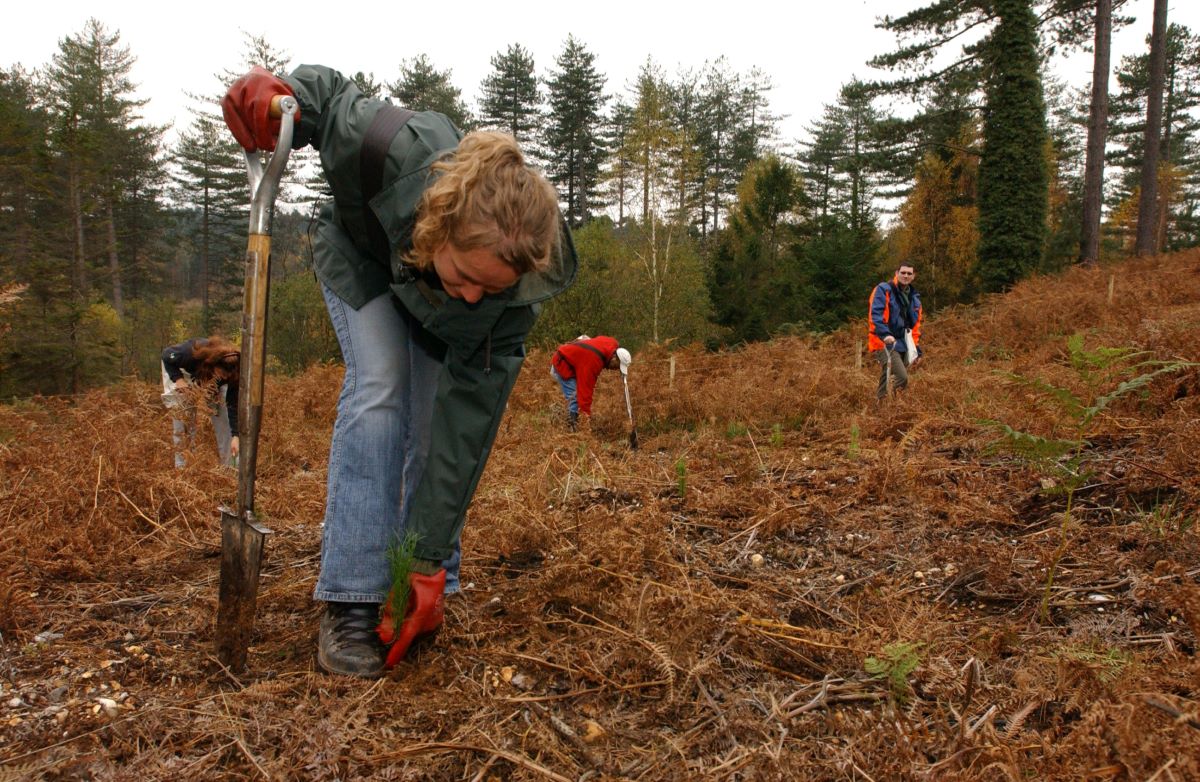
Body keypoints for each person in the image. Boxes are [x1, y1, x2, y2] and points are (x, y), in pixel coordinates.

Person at [222, 64, 575, 678]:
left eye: (488, 290)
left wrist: (427, 558)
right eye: (465, 276)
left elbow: (463, 434)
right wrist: (284, 100)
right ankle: (354, 598)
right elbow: (328, 98)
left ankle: (416, 579)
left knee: (432, 421)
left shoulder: (506, 299)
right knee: (382, 388)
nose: (472, 297)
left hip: (426, 303)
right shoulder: (389, 143)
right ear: (440, 226)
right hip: (364, 261)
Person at [161, 337, 241, 468]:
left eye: (227, 377)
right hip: (181, 373)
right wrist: (178, 379)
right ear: (214, 364)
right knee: (184, 424)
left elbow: (232, 404)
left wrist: (236, 435)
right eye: (222, 375)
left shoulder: (233, 371)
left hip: (207, 380)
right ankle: (182, 468)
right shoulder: (189, 354)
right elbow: (166, 354)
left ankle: (230, 467)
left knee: (223, 417)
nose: (224, 378)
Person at [549, 335, 631, 430]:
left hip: (574, 358)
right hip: (563, 364)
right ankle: (572, 430)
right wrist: (585, 416)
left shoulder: (613, 344)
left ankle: (573, 425)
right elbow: (585, 392)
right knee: (575, 398)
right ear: (614, 358)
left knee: (577, 397)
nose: (616, 369)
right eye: (617, 366)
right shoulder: (593, 362)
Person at [867, 263, 923, 399]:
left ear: (913, 276)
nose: (906, 276)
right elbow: (876, 315)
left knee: (887, 376)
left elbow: (914, 326)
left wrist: (916, 348)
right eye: (903, 272)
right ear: (897, 273)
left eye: (909, 273)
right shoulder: (883, 290)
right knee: (901, 377)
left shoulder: (915, 299)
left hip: (904, 344)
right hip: (883, 342)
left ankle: (881, 406)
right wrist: (885, 334)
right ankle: (891, 404)